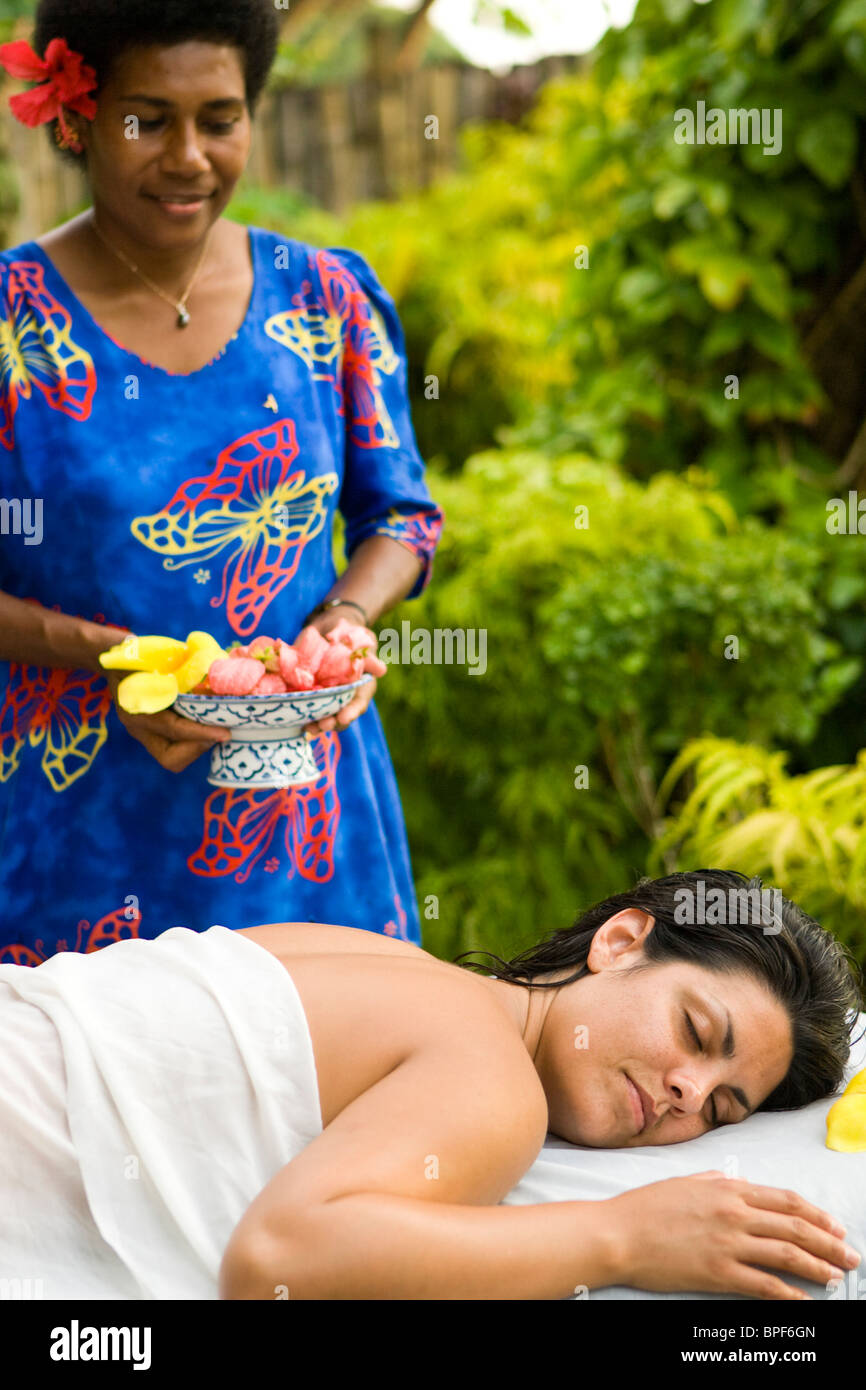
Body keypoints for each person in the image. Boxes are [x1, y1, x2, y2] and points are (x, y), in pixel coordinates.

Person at [0, 0, 444, 963]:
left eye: (221, 118)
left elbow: (401, 517)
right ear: (77, 118)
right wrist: (117, 662)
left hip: (304, 821)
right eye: (147, 120)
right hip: (73, 825)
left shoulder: (324, 297)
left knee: (321, 1091)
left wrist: (345, 620)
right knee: (92, 1097)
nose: (190, 156)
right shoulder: (11, 326)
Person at [0, 870, 862, 1300]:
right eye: (696, 1033)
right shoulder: (491, 1079)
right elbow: (276, 1263)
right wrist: (619, 1236)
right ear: (620, 941)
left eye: (720, 1108)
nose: (685, 1090)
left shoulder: (381, 957)